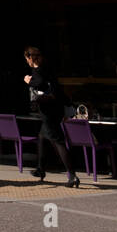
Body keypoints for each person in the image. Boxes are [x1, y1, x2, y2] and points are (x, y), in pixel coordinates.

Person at [22, 46, 78, 187]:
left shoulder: (38, 69)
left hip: (49, 111)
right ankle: (41, 169)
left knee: (58, 140)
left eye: (27, 59)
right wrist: (68, 104)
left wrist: (29, 81)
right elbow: (57, 88)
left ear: (29, 58)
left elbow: (40, 84)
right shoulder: (47, 68)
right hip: (56, 108)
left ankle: (72, 175)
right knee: (42, 136)